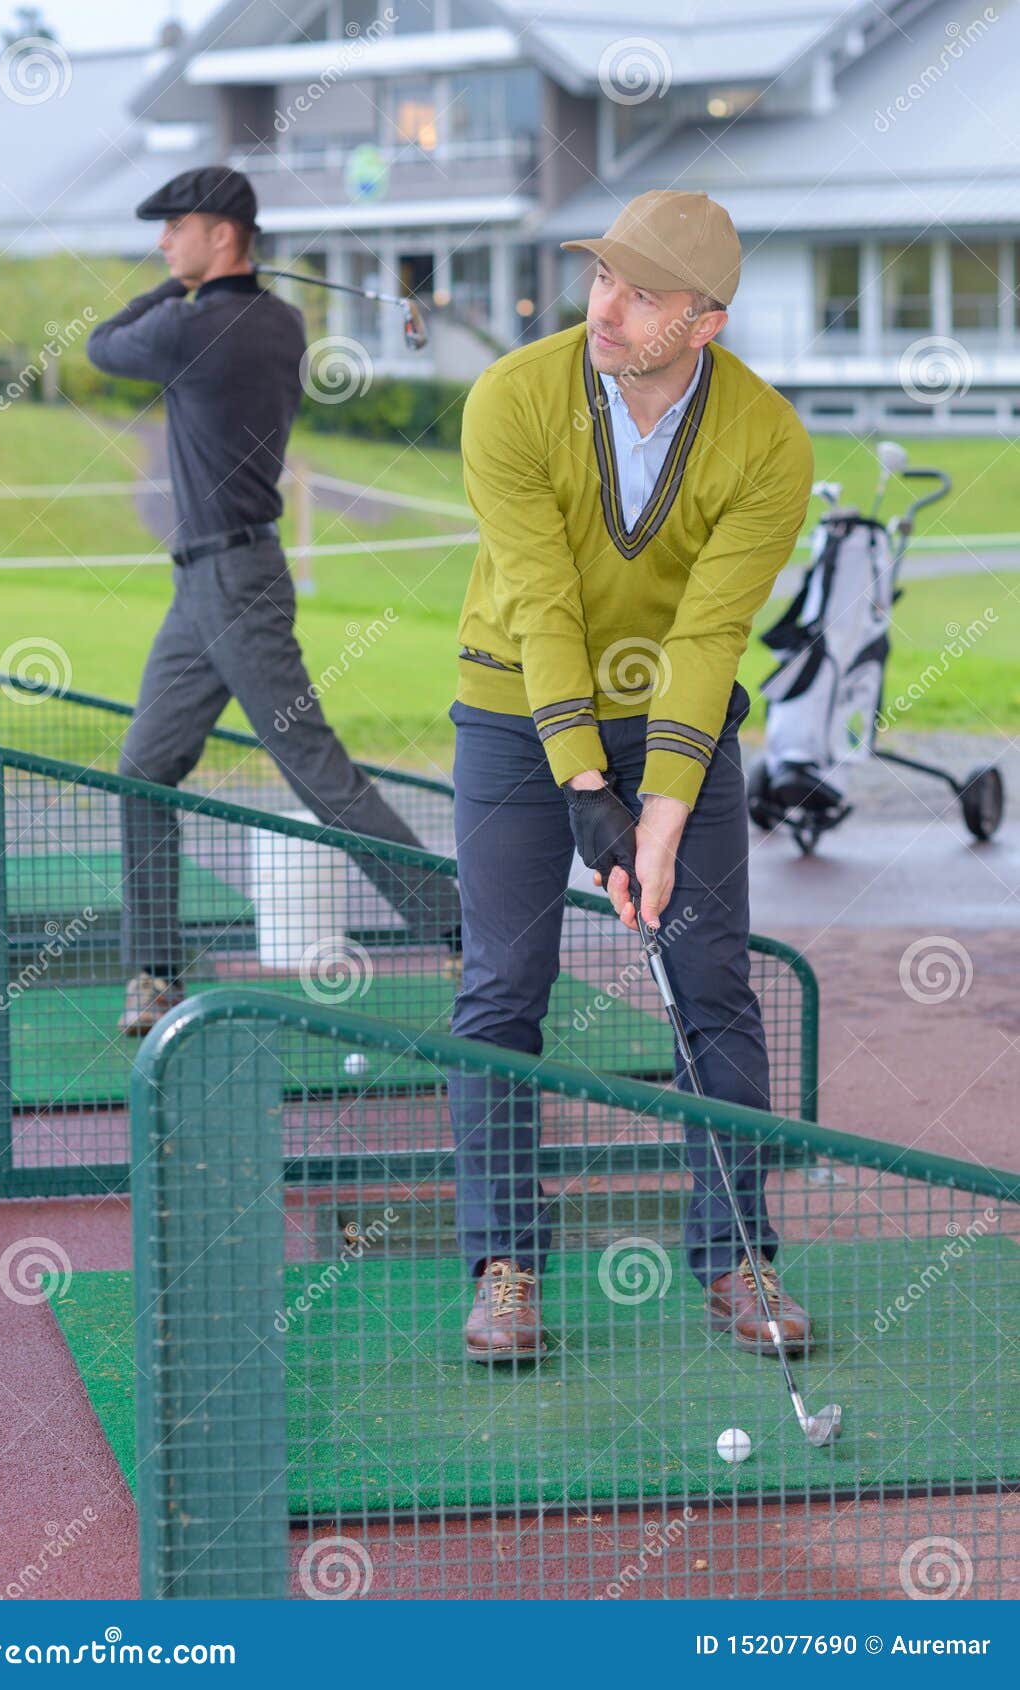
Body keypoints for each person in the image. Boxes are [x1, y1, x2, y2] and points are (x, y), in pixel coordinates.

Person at [449, 189, 816, 1363]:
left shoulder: (768, 442)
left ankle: (735, 1253)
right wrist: (583, 788)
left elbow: (708, 639)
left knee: (712, 980)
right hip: (516, 705)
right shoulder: (513, 398)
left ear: (703, 322)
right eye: (603, 275)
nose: (607, 306)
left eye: (642, 292)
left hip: (677, 712)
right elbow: (542, 601)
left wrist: (655, 815)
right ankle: (505, 1264)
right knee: (504, 985)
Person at [86, 166, 461, 1034]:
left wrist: (173, 289)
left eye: (175, 227)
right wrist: (203, 281)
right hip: (209, 582)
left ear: (222, 234)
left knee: (318, 772)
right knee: (145, 768)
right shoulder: (281, 320)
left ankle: (461, 933)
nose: (162, 242)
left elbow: (105, 345)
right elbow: (192, 318)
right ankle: (153, 975)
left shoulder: (189, 331)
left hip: (234, 582)